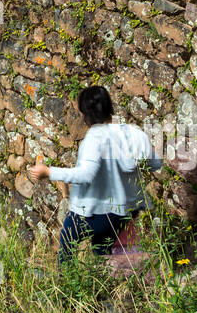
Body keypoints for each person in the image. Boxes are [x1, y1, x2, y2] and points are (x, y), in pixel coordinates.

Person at [27, 85, 161, 262]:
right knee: (102, 246)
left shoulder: (94, 138)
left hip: (99, 210)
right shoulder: (132, 133)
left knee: (68, 234)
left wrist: (49, 172)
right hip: (126, 211)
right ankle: (106, 280)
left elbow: (85, 175)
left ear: (86, 115)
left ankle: (65, 283)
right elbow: (155, 164)